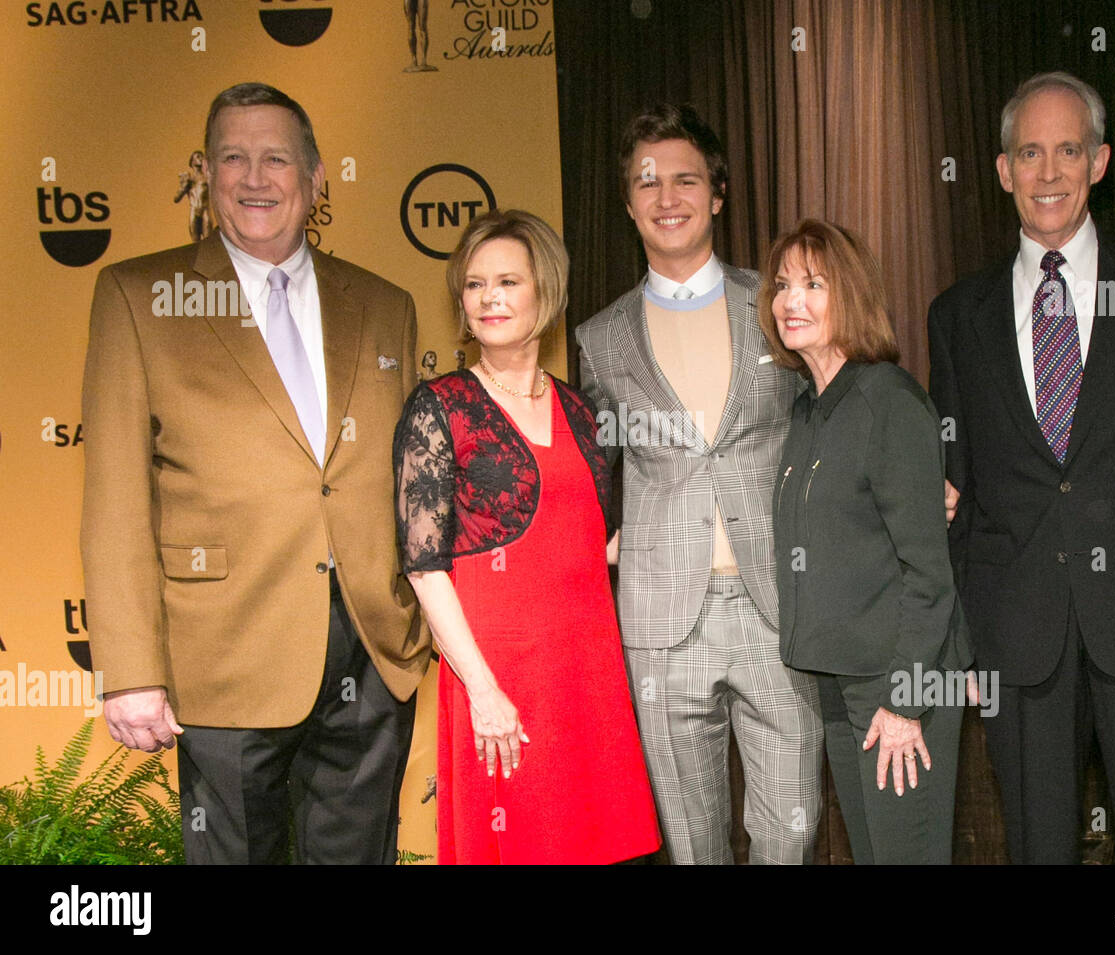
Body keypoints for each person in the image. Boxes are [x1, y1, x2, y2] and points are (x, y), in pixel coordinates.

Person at [80, 82, 431, 864]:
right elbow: (114, 501)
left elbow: (420, 485)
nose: (254, 178)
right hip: (223, 661)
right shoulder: (139, 296)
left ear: (314, 180)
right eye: (232, 157)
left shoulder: (385, 304)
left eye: (276, 158)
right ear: (205, 174)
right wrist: (130, 670)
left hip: (372, 656)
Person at [927, 71, 1115, 863]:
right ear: (1002, 171)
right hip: (1016, 631)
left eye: (1068, 150)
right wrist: (960, 636)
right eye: (1029, 152)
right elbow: (950, 493)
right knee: (1037, 848)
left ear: (1100, 161)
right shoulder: (958, 316)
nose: (1049, 172)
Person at [576, 104, 823, 864]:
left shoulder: (779, 306)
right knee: (691, 842)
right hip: (660, 620)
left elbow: (834, 420)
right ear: (627, 203)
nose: (666, 195)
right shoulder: (598, 337)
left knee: (793, 828)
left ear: (718, 194)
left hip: (779, 605)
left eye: (686, 178)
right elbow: (592, 471)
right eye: (646, 182)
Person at [394, 209, 660, 865]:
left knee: (597, 844)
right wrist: (484, 693)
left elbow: (592, 544)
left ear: (545, 292)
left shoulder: (581, 410)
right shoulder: (441, 407)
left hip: (587, 675)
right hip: (500, 677)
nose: (489, 298)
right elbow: (425, 569)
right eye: (475, 284)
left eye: (507, 281)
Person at [760, 219, 972, 864]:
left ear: (849, 293)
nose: (790, 300)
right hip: (836, 680)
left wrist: (905, 701)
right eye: (782, 285)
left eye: (813, 283)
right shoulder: (807, 408)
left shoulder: (890, 402)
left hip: (899, 685)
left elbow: (928, 574)